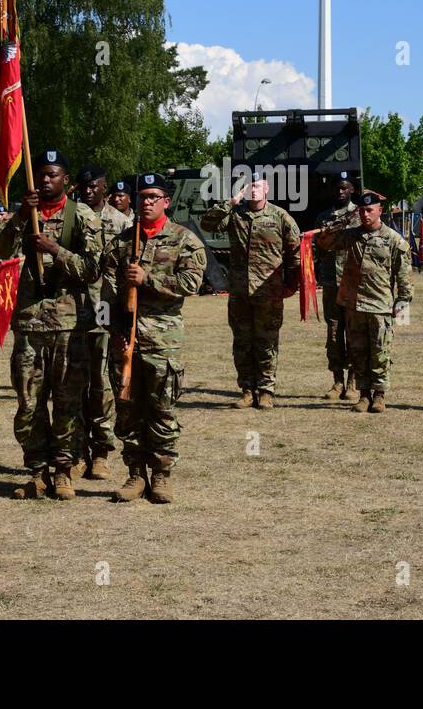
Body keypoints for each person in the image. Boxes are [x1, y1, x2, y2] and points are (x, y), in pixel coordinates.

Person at [0, 150, 101, 501]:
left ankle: (64, 471)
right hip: (29, 325)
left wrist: (55, 249)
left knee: (67, 402)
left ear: (65, 179)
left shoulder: (80, 215)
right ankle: (37, 472)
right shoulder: (23, 216)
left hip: (68, 326)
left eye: (53, 174)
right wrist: (22, 216)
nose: (45, 180)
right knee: (28, 402)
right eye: (40, 174)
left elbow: (93, 268)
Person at [105, 172, 207, 503]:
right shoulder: (121, 242)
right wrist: (115, 329)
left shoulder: (184, 239)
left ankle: (161, 475)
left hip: (162, 340)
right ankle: (135, 474)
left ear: (166, 201)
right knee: (128, 411)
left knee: (162, 408)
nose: (147, 201)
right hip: (125, 340)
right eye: (142, 196)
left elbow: (191, 283)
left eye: (154, 196)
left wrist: (149, 279)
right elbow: (105, 291)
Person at [200, 171, 301, 409]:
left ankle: (266, 391)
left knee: (267, 341)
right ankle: (247, 390)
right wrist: (229, 203)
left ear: (266, 189)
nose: (253, 189)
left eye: (257, 185)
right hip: (239, 292)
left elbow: (295, 252)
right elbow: (207, 224)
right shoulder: (236, 215)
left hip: (269, 292)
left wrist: (291, 283)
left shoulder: (280, 217)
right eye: (249, 185)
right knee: (242, 341)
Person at [317, 189, 413, 414]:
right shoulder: (351, 236)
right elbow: (325, 243)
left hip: (380, 306)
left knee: (379, 352)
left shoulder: (393, 240)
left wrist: (402, 303)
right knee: (358, 352)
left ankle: (379, 396)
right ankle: (363, 395)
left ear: (380, 211)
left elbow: (404, 275)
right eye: (361, 210)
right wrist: (340, 222)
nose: (365, 214)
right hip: (355, 306)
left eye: (369, 210)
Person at [77, 164, 131, 479]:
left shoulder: (123, 222)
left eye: (94, 185)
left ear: (104, 186)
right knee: (74, 384)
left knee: (100, 383)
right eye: (84, 185)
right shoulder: (72, 217)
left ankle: (101, 452)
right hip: (73, 308)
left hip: (105, 309)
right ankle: (76, 452)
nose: (88, 190)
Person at [316, 173, 359, 401]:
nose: (340, 192)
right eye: (337, 188)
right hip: (331, 283)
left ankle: (352, 383)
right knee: (333, 333)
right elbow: (318, 250)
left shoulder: (360, 216)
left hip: (353, 283)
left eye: (345, 188)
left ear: (352, 189)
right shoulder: (323, 218)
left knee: (353, 332)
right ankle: (337, 382)